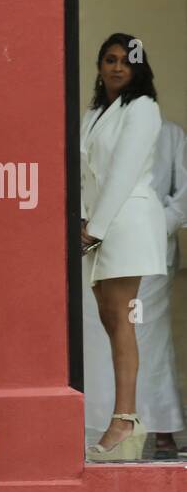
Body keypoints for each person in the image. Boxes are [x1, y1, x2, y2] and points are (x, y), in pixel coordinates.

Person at [80, 34, 166, 461]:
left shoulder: (143, 108)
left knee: (121, 318)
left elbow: (124, 171)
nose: (117, 68)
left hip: (125, 223)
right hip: (98, 226)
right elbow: (86, 172)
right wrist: (83, 219)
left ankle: (125, 422)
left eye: (125, 62)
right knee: (112, 320)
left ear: (137, 68)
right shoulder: (96, 112)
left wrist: (93, 228)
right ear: (99, 66)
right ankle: (124, 421)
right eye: (109, 59)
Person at [82, 118, 187, 457]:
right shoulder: (88, 127)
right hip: (97, 246)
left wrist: (159, 224)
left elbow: (183, 194)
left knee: (149, 337)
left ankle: (160, 425)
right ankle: (97, 424)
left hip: (149, 246)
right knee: (99, 335)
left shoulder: (170, 133)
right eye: (110, 61)